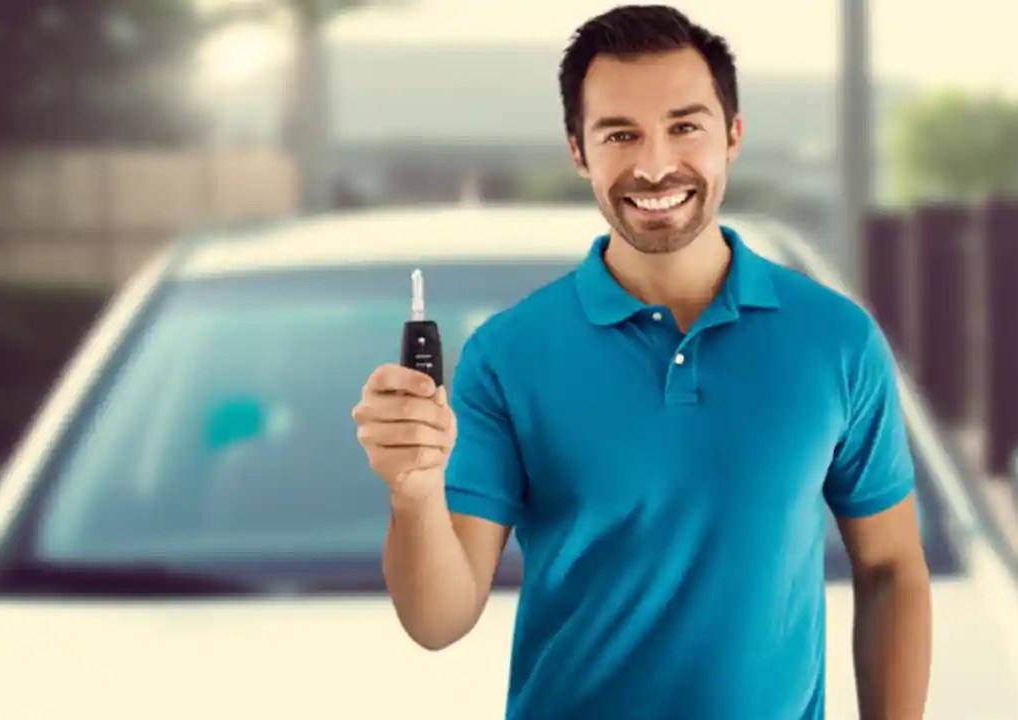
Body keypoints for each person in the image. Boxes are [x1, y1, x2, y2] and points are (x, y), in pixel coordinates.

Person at [351, 5, 932, 718]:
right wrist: (412, 493)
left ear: (733, 136)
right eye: (620, 134)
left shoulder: (837, 339)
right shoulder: (508, 355)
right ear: (578, 150)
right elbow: (437, 621)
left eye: (685, 127)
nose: (655, 165)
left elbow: (891, 570)